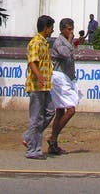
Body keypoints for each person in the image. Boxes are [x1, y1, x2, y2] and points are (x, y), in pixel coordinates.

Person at [22, 14, 55, 160]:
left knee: (50, 111)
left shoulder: (44, 43)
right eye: (51, 28)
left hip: (45, 86)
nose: (52, 31)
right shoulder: (35, 43)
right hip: (36, 86)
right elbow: (32, 63)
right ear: (46, 28)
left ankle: (29, 136)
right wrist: (40, 77)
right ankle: (33, 150)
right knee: (36, 118)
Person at [48, 18, 80, 155]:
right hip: (59, 77)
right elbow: (66, 53)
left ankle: (53, 145)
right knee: (71, 110)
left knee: (60, 111)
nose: (71, 32)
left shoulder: (67, 42)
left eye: (72, 29)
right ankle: (53, 138)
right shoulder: (59, 42)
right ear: (62, 30)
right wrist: (71, 41)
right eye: (69, 29)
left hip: (67, 77)